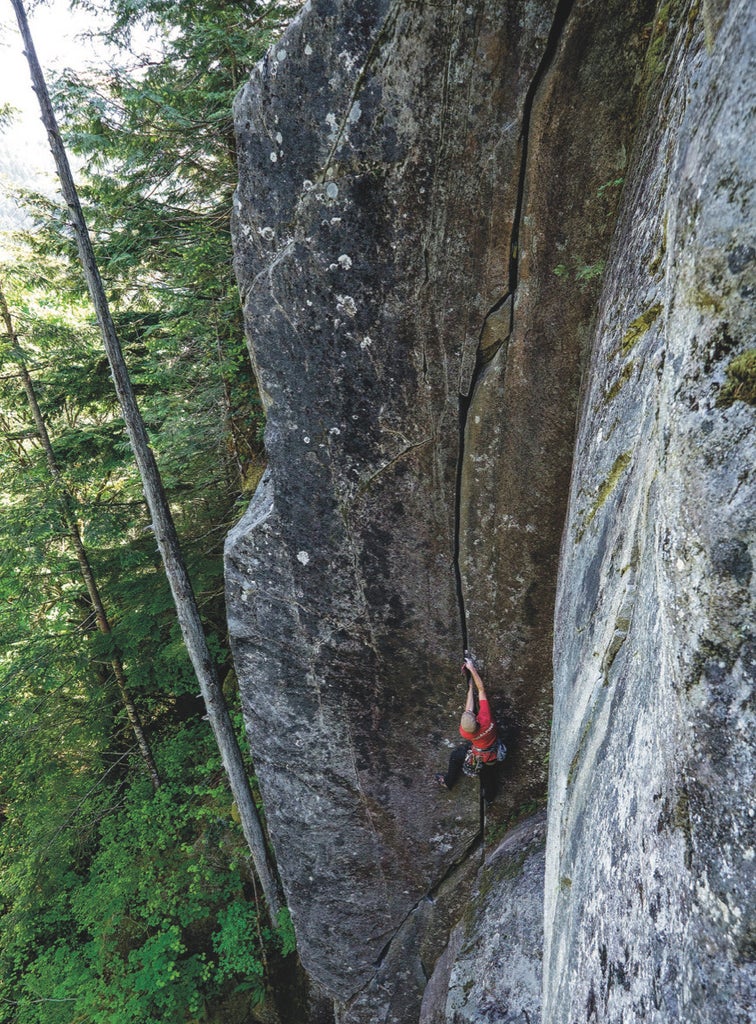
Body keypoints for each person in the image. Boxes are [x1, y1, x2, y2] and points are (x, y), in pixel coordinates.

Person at [435, 656, 504, 804]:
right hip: (492, 754)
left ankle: (448, 781)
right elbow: (482, 689)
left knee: (456, 756)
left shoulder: (465, 732)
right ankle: (489, 799)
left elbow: (468, 708)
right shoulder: (486, 719)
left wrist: (469, 688)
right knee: (488, 777)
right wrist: (472, 669)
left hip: (479, 754)